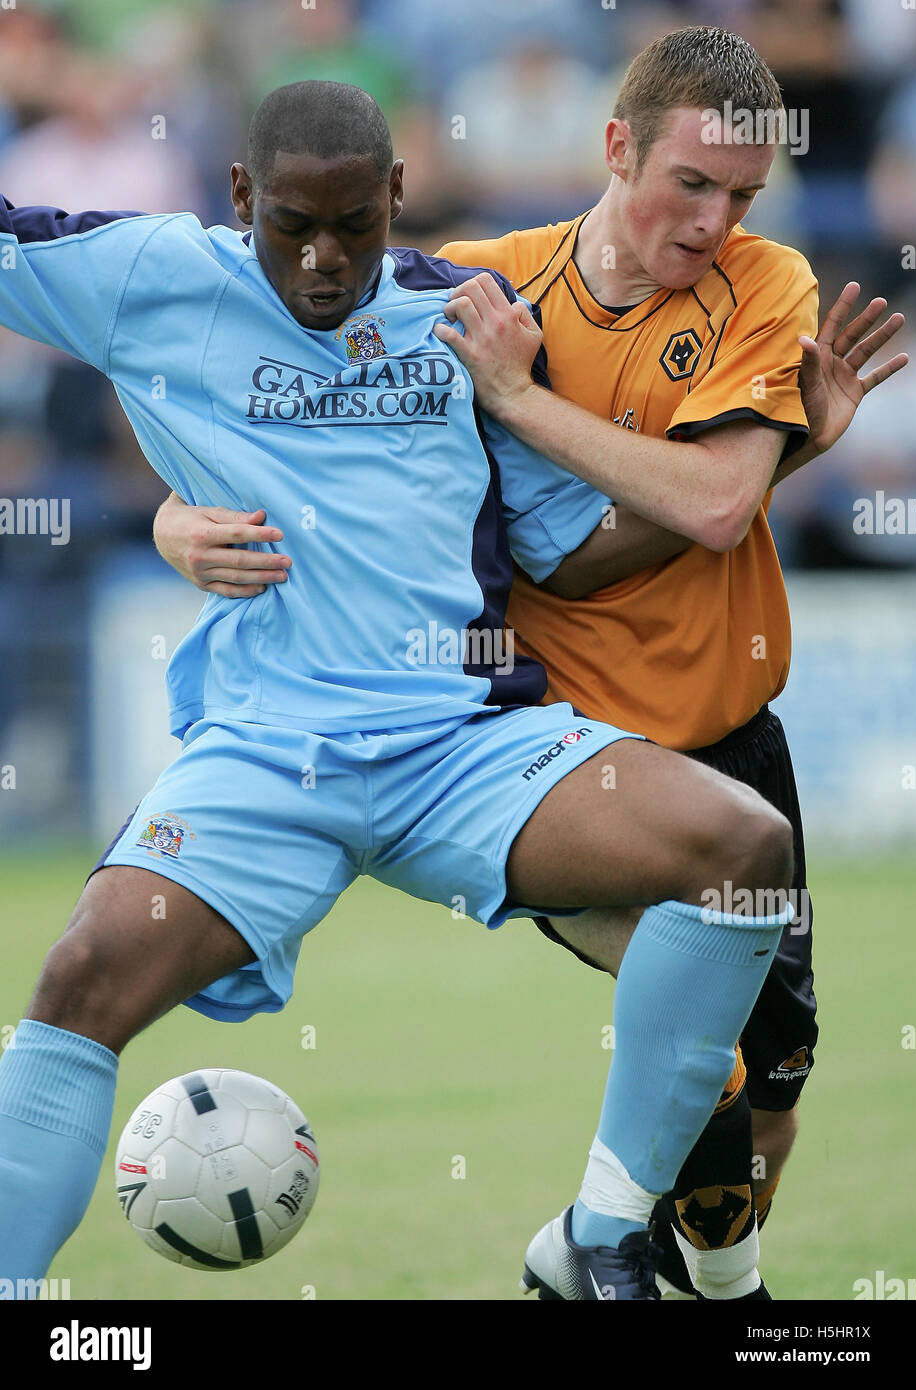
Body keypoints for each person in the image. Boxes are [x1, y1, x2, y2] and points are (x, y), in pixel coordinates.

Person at [0, 79, 802, 1302]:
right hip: (271, 753)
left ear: (396, 199)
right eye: (288, 226)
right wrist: (169, 517)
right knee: (79, 981)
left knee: (744, 846)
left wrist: (787, 445)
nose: (322, 261)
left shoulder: (469, 323)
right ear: (236, 200)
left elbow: (567, 548)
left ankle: (593, 1236)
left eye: (353, 228)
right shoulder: (148, 275)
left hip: (463, 745)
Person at [156, 35, 907, 1301]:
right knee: (706, 1056)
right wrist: (184, 518)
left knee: (772, 1089)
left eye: (740, 195)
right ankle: (658, 1274)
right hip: (553, 756)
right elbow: (280, 415)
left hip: (731, 740)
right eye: (689, 185)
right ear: (614, 148)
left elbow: (712, 508)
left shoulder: (762, 284)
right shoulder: (477, 286)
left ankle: (666, 1261)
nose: (713, 221)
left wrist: (526, 400)